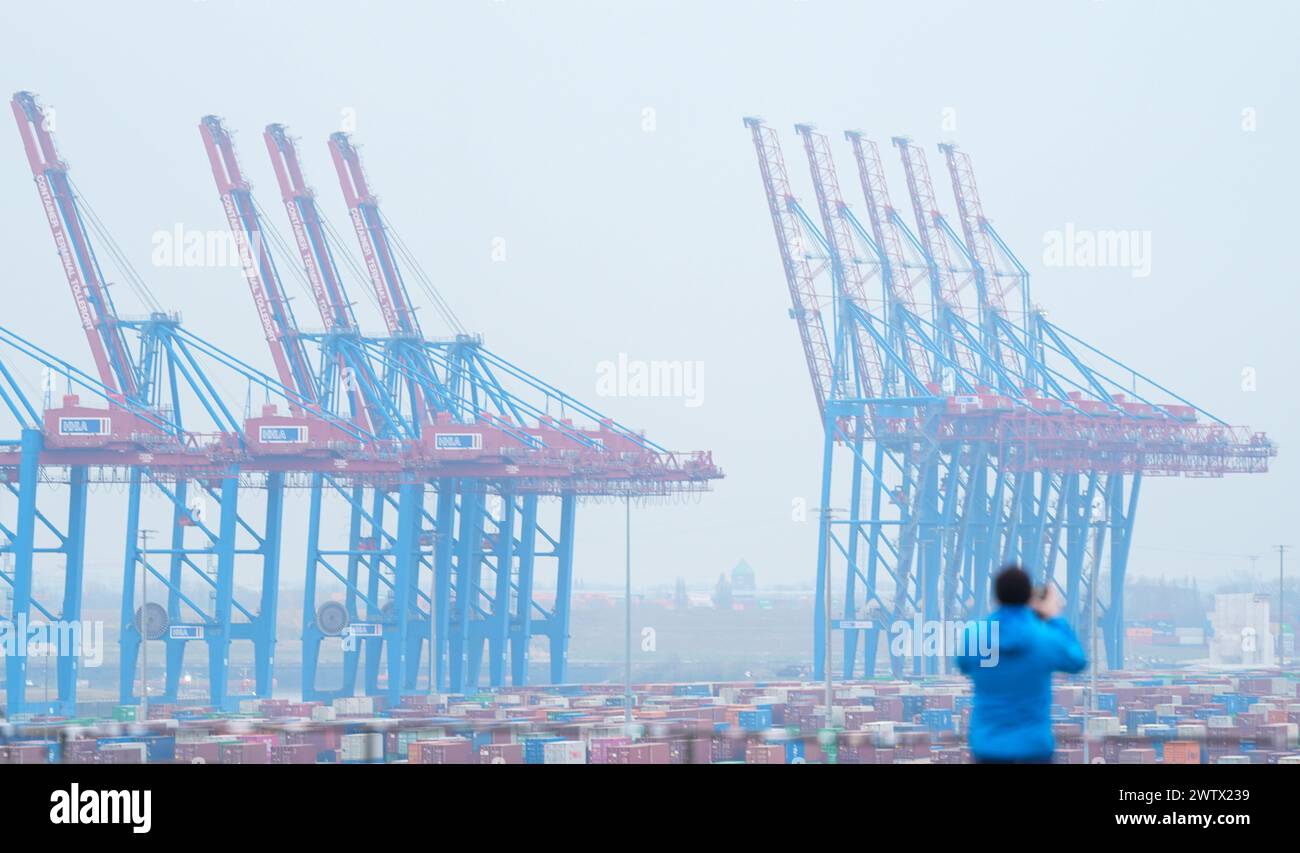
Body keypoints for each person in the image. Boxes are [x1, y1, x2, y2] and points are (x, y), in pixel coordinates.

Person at [955, 564, 1087, 764]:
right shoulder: (1044, 637)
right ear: (1029, 597)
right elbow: (1077, 661)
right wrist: (1054, 617)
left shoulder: (976, 635)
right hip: (1033, 748)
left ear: (997, 597)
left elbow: (963, 664)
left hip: (988, 747)